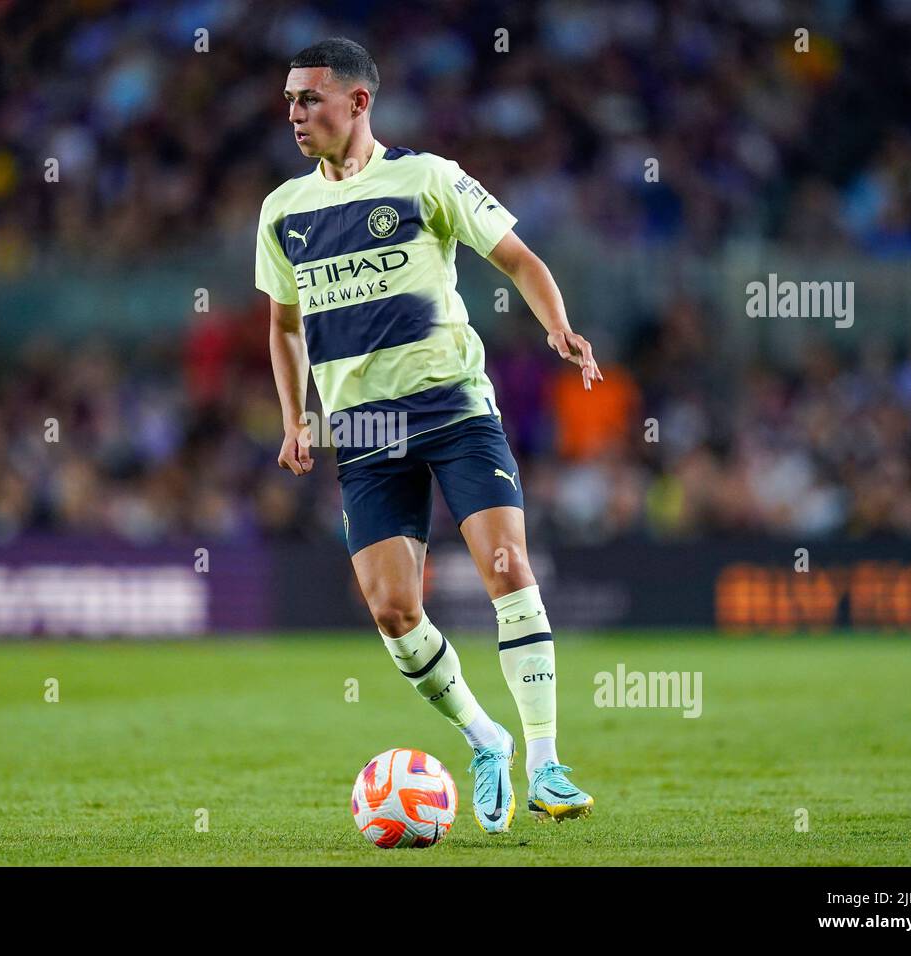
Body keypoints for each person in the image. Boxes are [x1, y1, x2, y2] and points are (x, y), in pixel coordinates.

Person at [256, 37, 603, 833]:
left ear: (358, 101)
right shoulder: (284, 211)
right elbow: (282, 327)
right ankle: (485, 740)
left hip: (453, 408)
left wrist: (558, 327)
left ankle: (547, 764)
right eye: (288, 100)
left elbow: (517, 257)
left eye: (309, 98)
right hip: (364, 427)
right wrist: (294, 414)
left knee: (508, 568)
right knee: (391, 609)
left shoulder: (427, 178)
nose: (295, 113)